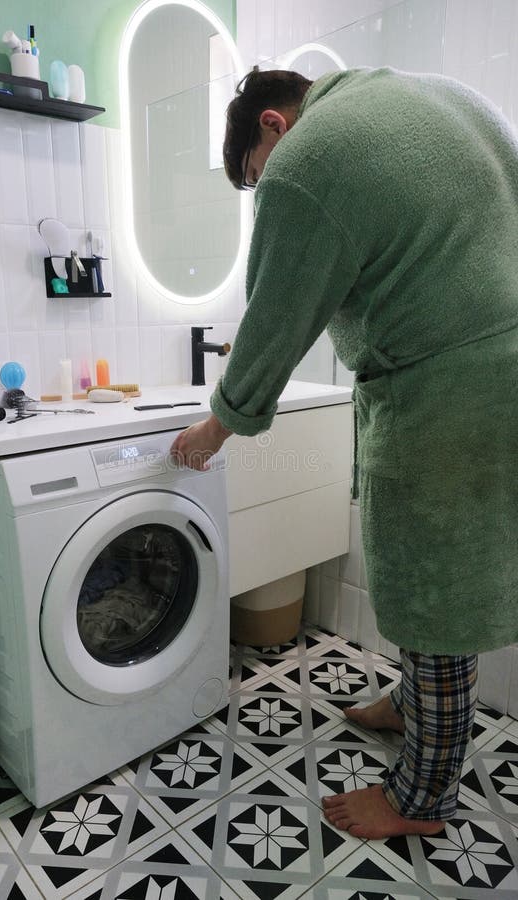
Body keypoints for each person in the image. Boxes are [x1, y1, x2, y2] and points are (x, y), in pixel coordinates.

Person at [169, 66, 518, 840]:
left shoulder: (310, 155)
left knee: (435, 593)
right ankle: (411, 705)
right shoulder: (437, 95)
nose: (268, 189)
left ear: (271, 125)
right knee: (423, 573)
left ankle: (420, 800)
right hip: (497, 371)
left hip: (448, 388)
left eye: (257, 179)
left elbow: (277, 315)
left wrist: (216, 427)